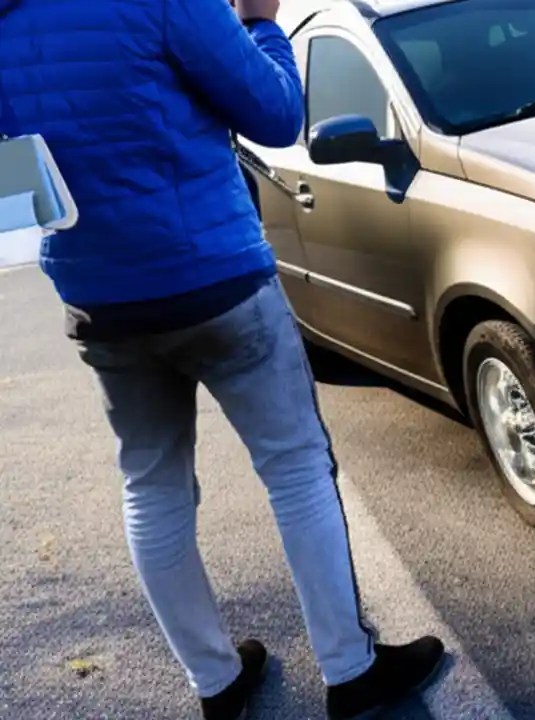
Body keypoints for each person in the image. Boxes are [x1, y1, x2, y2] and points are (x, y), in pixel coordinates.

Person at [0, 1, 445, 718]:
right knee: (296, 465)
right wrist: (262, 21)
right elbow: (274, 115)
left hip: (100, 300)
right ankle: (349, 668)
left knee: (152, 486)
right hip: (216, 279)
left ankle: (215, 681)